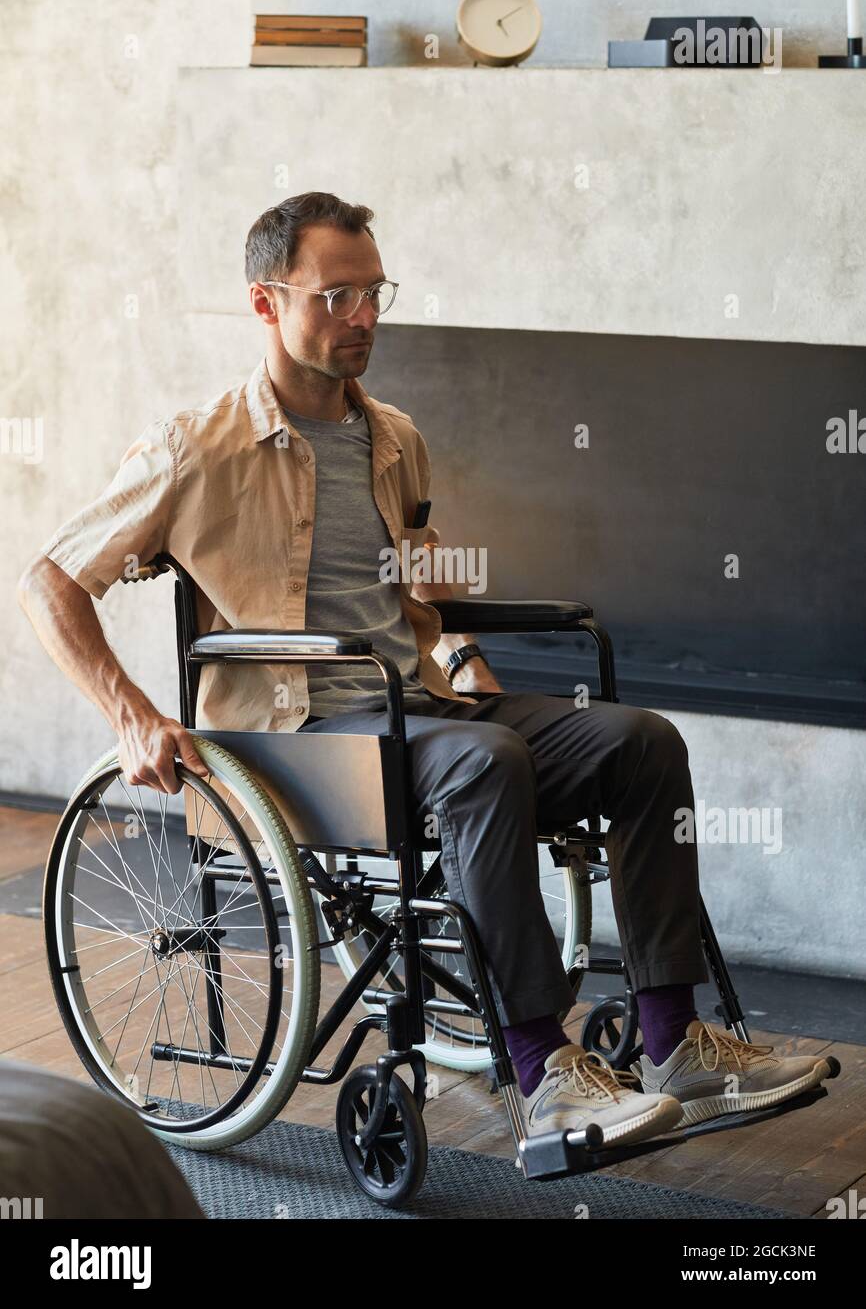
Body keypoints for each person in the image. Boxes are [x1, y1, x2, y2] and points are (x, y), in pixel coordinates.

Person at [18, 191, 832, 1147]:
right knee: (486, 765)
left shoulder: (394, 436)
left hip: (418, 708)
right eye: (337, 297)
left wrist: (466, 659)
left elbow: (421, 586)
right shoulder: (196, 446)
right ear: (266, 302)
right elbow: (48, 579)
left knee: (642, 744)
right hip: (299, 734)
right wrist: (131, 714)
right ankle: (543, 1071)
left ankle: (673, 1042)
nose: (364, 318)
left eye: (374, 292)